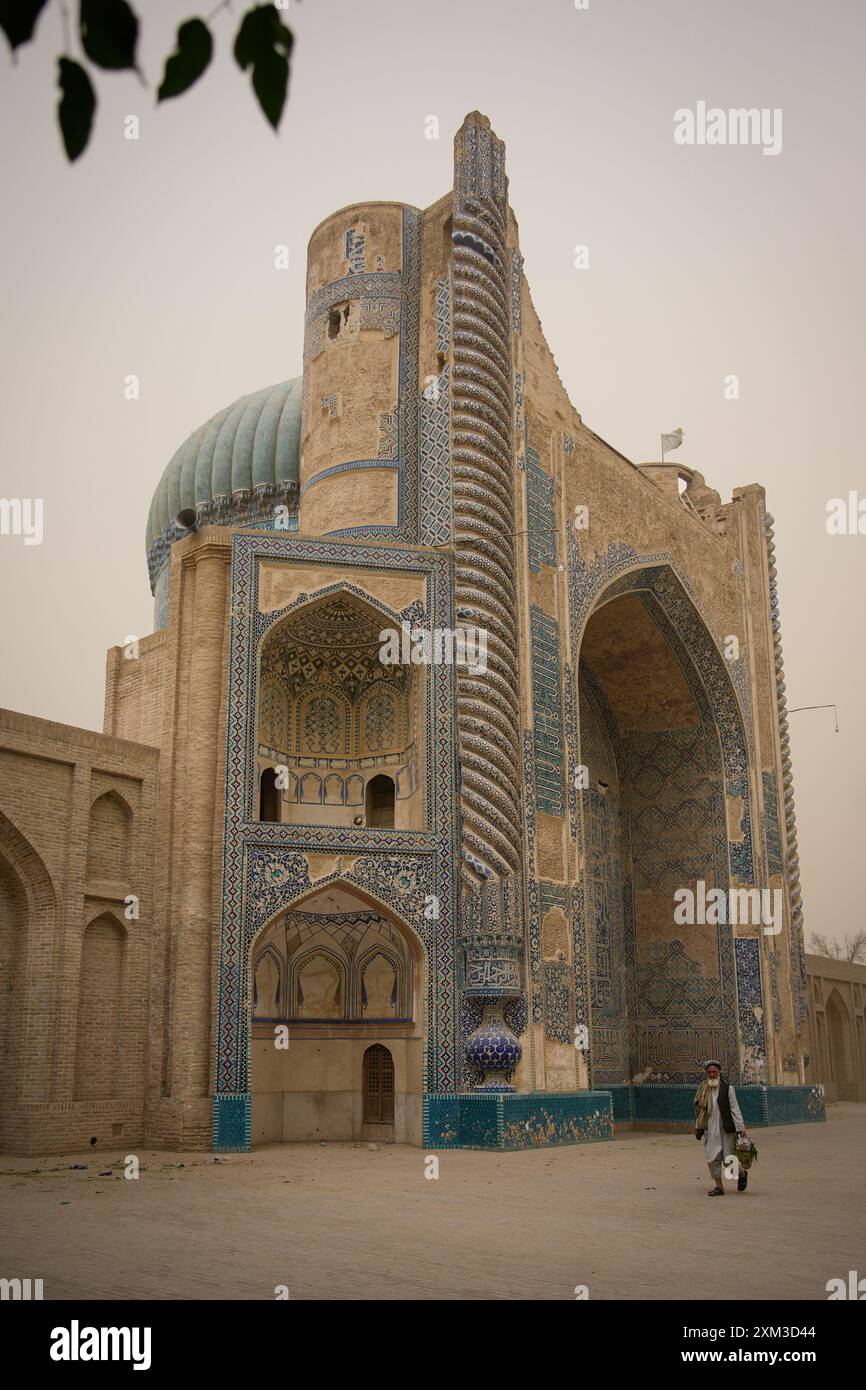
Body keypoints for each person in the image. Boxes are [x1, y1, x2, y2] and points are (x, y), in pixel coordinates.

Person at [693, 1058, 750, 1195]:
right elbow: (699, 1111)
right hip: (709, 1129)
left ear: (719, 1072)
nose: (712, 1074)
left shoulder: (728, 1089)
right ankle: (719, 1186)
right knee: (712, 1158)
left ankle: (741, 1174)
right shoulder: (702, 1089)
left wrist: (741, 1129)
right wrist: (698, 1127)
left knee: (728, 1159)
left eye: (714, 1071)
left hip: (725, 1128)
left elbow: (735, 1109)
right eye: (709, 1072)